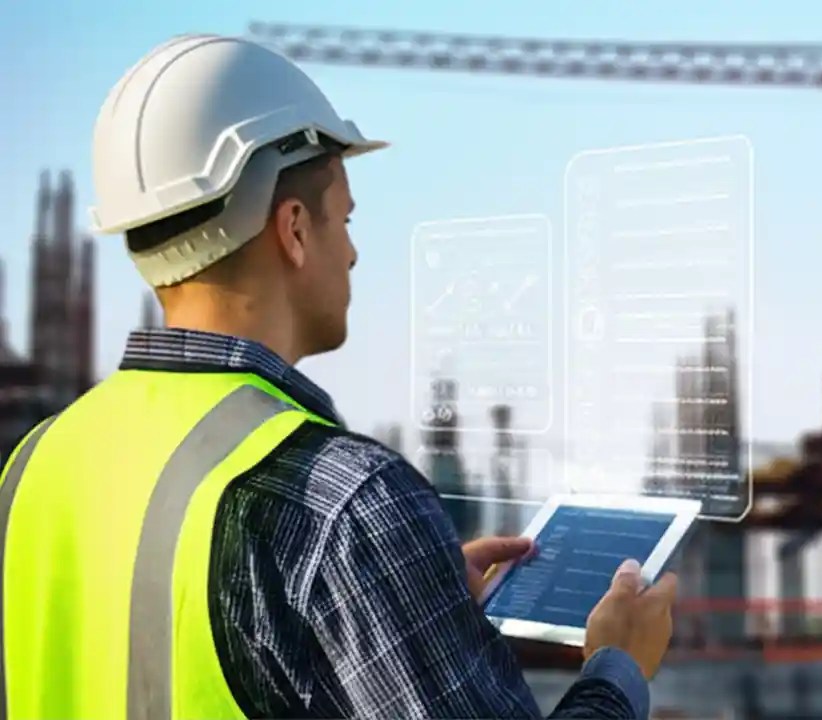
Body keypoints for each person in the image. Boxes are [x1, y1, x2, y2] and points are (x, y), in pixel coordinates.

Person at [0, 34, 678, 719]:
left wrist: (408, 597)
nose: (352, 252)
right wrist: (617, 666)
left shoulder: (31, 468)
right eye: (345, 219)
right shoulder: (344, 502)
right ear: (293, 229)